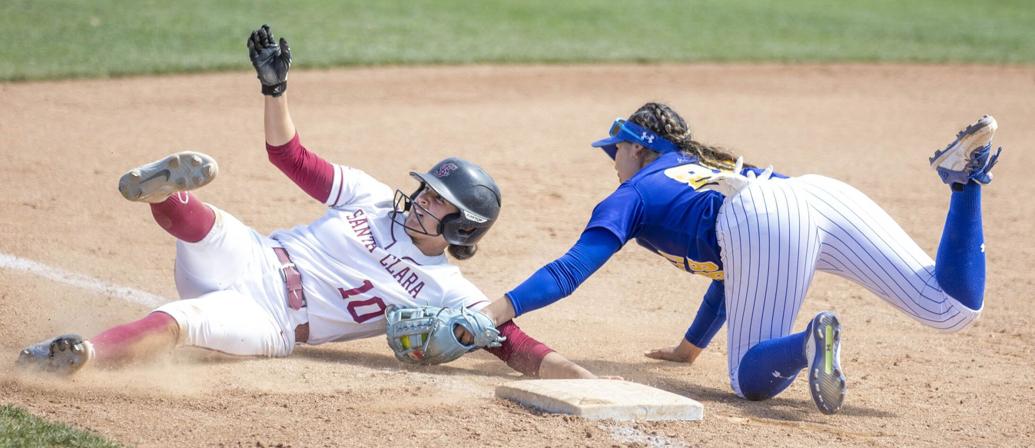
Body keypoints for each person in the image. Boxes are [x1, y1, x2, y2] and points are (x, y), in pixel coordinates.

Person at [16, 25, 596, 380]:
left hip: (271, 321)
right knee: (203, 224)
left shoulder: (449, 290)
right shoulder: (372, 197)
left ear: (463, 229)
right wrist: (275, 89)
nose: (419, 199)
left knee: (180, 321)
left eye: (436, 201)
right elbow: (290, 157)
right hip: (256, 257)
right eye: (424, 189)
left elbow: (514, 344)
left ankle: (79, 355)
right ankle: (166, 191)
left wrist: (583, 378)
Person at [454, 102, 1001, 414]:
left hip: (763, 217)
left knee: (747, 381)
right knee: (950, 307)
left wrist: (494, 312)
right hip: (817, 194)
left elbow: (570, 270)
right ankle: (963, 182)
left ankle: (811, 343)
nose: (611, 160)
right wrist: (690, 348)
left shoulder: (634, 193)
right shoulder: (707, 169)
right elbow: (739, 273)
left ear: (639, 148)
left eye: (614, 149)